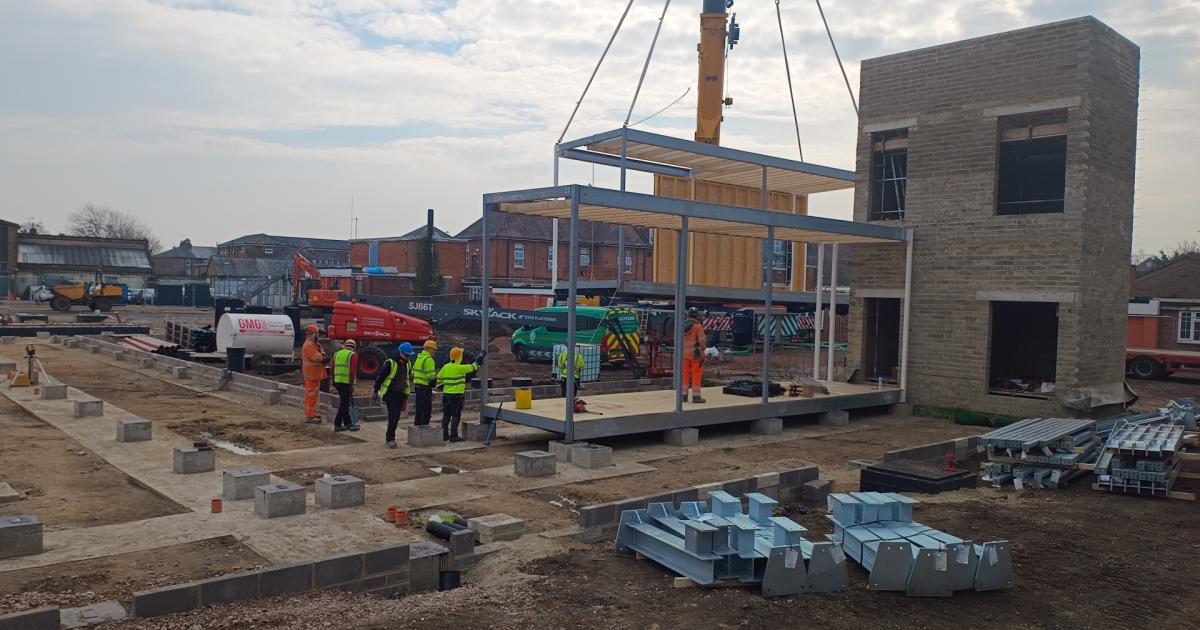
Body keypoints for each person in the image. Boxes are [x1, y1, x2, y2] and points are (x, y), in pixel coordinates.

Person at [436, 346, 485, 442]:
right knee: (456, 415)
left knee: (446, 415)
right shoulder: (460, 368)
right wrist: (481, 356)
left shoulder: (445, 367)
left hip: (446, 395)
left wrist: (442, 386)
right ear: (459, 357)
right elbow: (473, 366)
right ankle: (454, 436)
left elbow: (438, 378)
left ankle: (444, 435)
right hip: (456, 396)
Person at [375, 342, 415, 448]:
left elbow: (407, 379)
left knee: (396, 417)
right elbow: (380, 377)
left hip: (401, 394)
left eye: (409, 355)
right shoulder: (390, 363)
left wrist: (407, 394)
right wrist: (375, 391)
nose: (408, 357)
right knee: (393, 416)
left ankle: (391, 436)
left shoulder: (408, 364)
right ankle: (390, 438)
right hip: (391, 394)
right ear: (400, 352)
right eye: (406, 355)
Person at [301, 324, 327, 424]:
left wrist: (323, 356)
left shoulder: (314, 344)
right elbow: (315, 357)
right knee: (311, 395)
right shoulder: (309, 345)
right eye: (317, 333)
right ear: (312, 334)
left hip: (314, 374)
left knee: (312, 395)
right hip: (312, 374)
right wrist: (323, 358)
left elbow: (321, 353)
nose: (318, 335)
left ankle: (311, 414)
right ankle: (310, 416)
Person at [331, 339, 360, 432]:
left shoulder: (337, 354)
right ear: (354, 347)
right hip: (346, 382)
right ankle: (337, 424)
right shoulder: (353, 355)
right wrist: (351, 384)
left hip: (337, 381)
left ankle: (348, 423)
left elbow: (332, 368)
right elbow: (352, 371)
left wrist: (333, 381)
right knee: (344, 404)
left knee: (345, 403)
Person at [681, 307, 706, 403]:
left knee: (685, 374)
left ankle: (684, 396)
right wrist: (704, 349)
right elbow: (702, 342)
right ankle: (696, 397)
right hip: (695, 355)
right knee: (696, 374)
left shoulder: (682, 325)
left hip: (684, 354)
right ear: (697, 316)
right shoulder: (697, 326)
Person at [411, 339, 438, 427]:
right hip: (425, 389)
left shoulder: (419, 358)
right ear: (429, 349)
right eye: (434, 349)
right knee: (426, 410)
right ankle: (424, 429)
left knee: (419, 410)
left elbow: (413, 373)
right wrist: (434, 382)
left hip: (417, 387)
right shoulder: (429, 360)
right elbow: (431, 376)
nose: (435, 351)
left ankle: (417, 427)